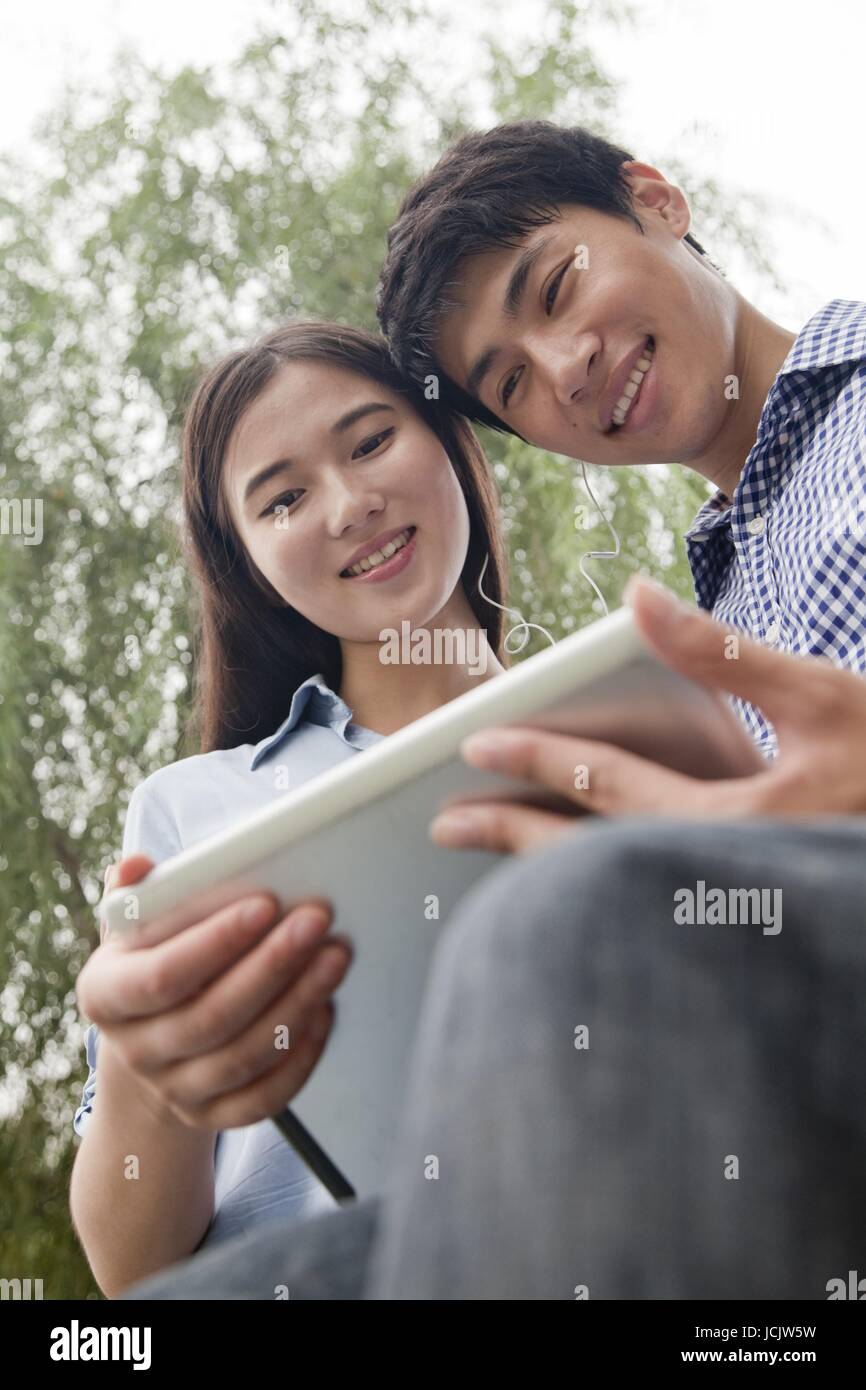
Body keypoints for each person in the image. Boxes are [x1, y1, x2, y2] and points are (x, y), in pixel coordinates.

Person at [70, 320, 512, 1297]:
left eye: (369, 442)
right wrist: (153, 1076)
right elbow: (130, 1267)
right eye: (283, 498)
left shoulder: (619, 729)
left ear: (448, 442)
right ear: (247, 562)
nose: (350, 505)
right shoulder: (197, 813)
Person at [376, 119, 866, 841]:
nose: (565, 371)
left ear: (656, 201)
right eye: (512, 382)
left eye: (556, 288)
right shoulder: (710, 644)